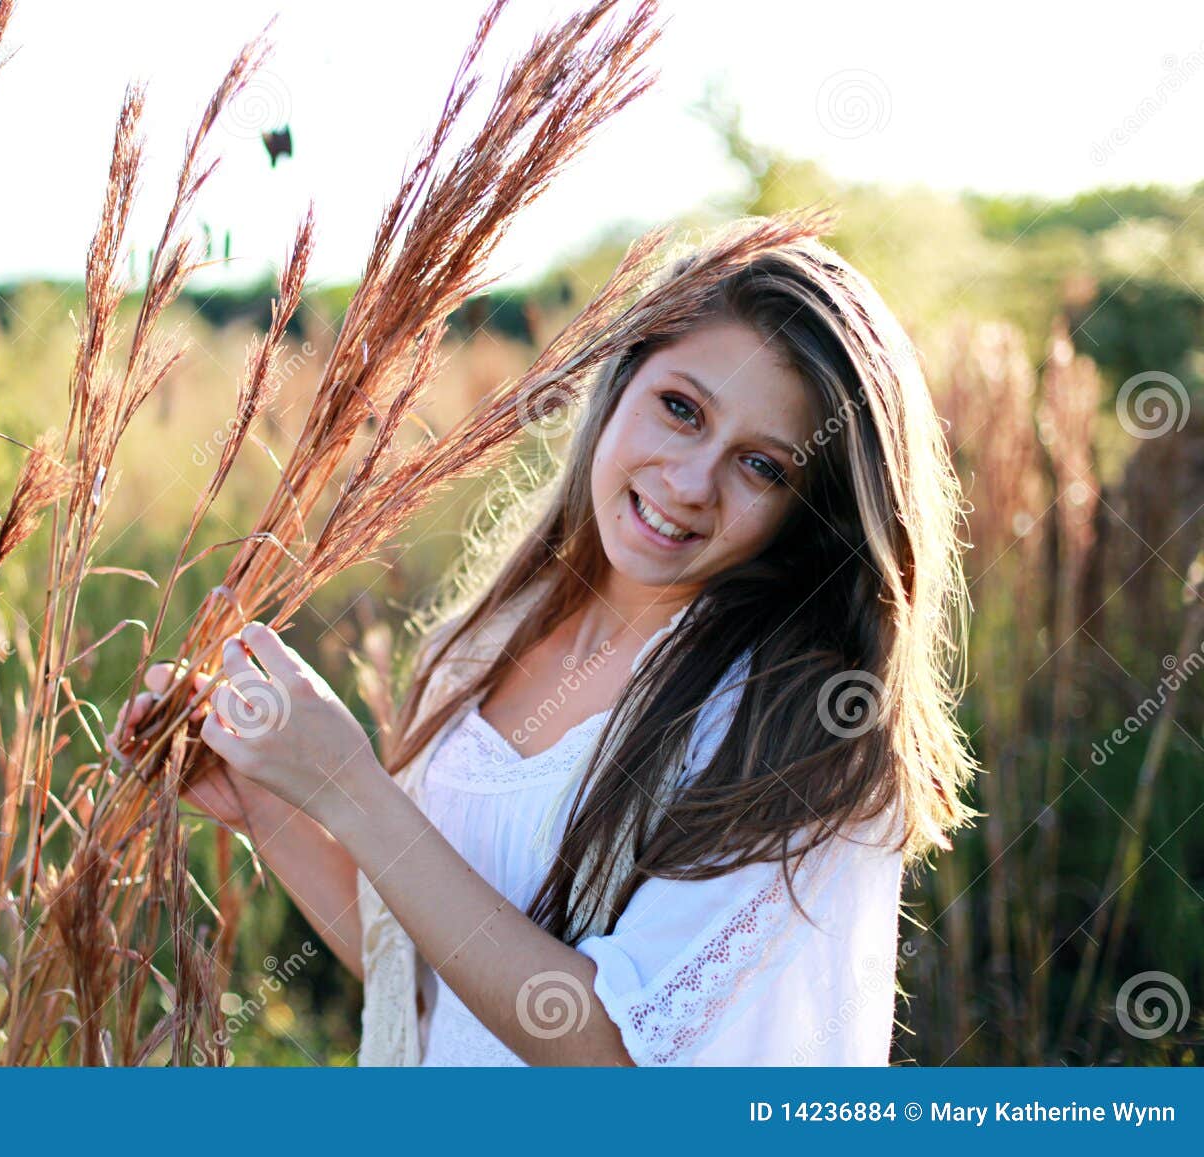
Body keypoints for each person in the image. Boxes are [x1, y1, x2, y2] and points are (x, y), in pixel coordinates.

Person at [111, 219, 977, 1066]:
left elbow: (611, 1053)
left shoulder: (787, 724)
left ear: (810, 509)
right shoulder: (491, 636)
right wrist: (270, 801)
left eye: (762, 465)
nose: (689, 482)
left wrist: (348, 786)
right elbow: (425, 973)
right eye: (680, 409)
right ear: (621, 380)